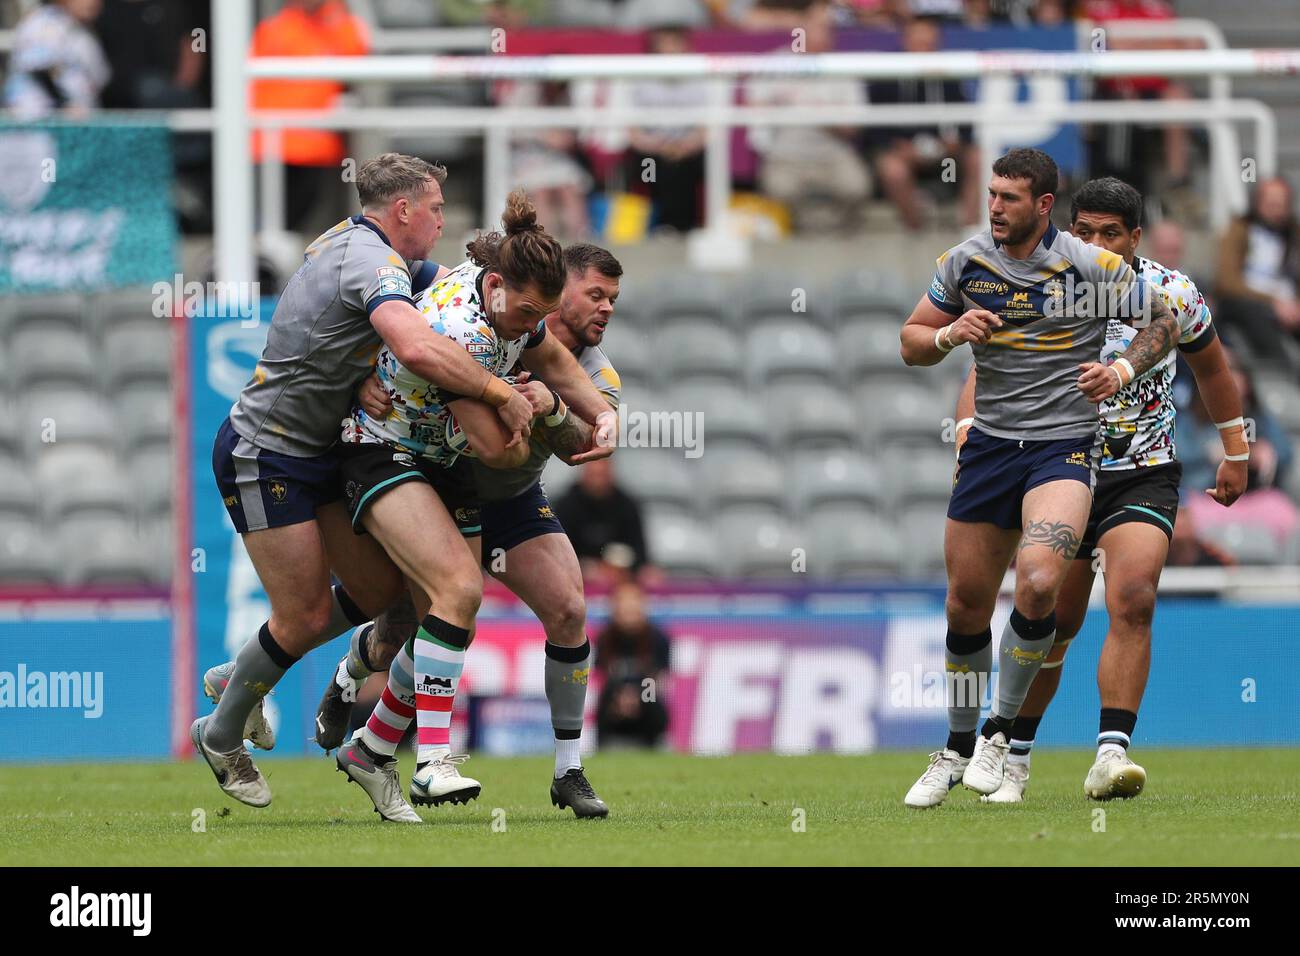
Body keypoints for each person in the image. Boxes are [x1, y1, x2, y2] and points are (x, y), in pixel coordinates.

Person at [193, 154, 608, 809]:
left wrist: (592, 408)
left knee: (385, 595)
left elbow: (440, 317)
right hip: (272, 448)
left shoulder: (410, 265)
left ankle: (264, 687)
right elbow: (419, 347)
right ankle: (223, 731)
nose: (445, 219)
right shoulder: (373, 263)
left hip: (333, 444)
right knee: (310, 613)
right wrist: (507, 396)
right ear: (404, 210)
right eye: (437, 207)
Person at [898, 147, 1182, 808]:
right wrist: (947, 337)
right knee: (966, 605)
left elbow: (1164, 323)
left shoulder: (1089, 268)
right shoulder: (965, 263)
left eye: (1010, 197)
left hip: (1062, 447)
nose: (995, 206)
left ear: (1044, 205)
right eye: (992, 194)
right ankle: (956, 746)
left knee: (1039, 581)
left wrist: (1119, 371)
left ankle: (1000, 735)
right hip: (991, 446)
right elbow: (910, 338)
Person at [957, 177, 1247, 804]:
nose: (1093, 243)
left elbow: (1213, 368)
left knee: (1135, 597)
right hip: (1058, 465)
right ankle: (1014, 751)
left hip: (1143, 469)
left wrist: (1236, 449)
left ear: (1134, 238)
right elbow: (990, 369)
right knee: (1052, 618)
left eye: (1108, 234)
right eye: (1083, 231)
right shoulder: (1039, 283)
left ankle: (1111, 753)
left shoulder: (1171, 293)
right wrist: (965, 431)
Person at [325, 242, 624, 820]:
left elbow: (581, 442)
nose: (606, 309)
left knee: (565, 607)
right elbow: (380, 312)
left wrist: (559, 411)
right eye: (595, 295)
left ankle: (568, 768)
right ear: (560, 290)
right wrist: (363, 372)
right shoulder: (473, 321)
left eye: (613, 299)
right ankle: (339, 684)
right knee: (397, 620)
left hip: (505, 500)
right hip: (419, 463)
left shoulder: (584, 361)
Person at [249, 0, 369, 232]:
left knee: (298, 222)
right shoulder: (274, 28)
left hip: (313, 145)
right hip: (270, 144)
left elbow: (358, 54)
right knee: (269, 225)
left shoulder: (338, 24)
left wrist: (334, 16)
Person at [867, 14, 981, 230]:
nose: (923, 50)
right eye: (918, 43)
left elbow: (966, 125)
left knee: (978, 157)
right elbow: (873, 129)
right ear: (906, 42)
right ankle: (918, 231)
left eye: (929, 45)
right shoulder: (884, 76)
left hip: (947, 162)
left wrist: (954, 144)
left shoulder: (950, 77)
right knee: (892, 169)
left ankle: (969, 231)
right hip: (903, 156)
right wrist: (897, 147)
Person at [1214, 178, 1300, 369]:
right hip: (1245, 301)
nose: (1276, 210)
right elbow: (1227, 281)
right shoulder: (1239, 229)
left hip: (1288, 305)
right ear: (1257, 203)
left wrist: (1294, 306)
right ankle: (1282, 373)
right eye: (1271, 204)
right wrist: (1273, 302)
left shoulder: (1294, 235)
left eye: (1281, 204)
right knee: (1256, 313)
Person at [595, 579, 671, 748]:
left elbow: (657, 676)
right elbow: (604, 674)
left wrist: (636, 698)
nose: (628, 609)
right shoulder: (605, 637)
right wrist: (620, 697)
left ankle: (656, 741)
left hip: (645, 692)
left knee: (651, 695)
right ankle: (602, 745)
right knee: (605, 696)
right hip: (616, 694)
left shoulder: (657, 637)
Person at [3, 0, 109, 119]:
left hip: (73, 124)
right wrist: (65, 105)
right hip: (40, 124)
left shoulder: (82, 29)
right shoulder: (44, 23)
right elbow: (39, 69)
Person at [552, 457, 650, 580]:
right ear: (584, 475)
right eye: (594, 475)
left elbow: (639, 552)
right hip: (576, 577)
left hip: (621, 580)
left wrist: (632, 569)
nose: (598, 482)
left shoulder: (627, 505)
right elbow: (559, 554)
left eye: (602, 475)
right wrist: (587, 568)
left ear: (611, 475)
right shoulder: (566, 506)